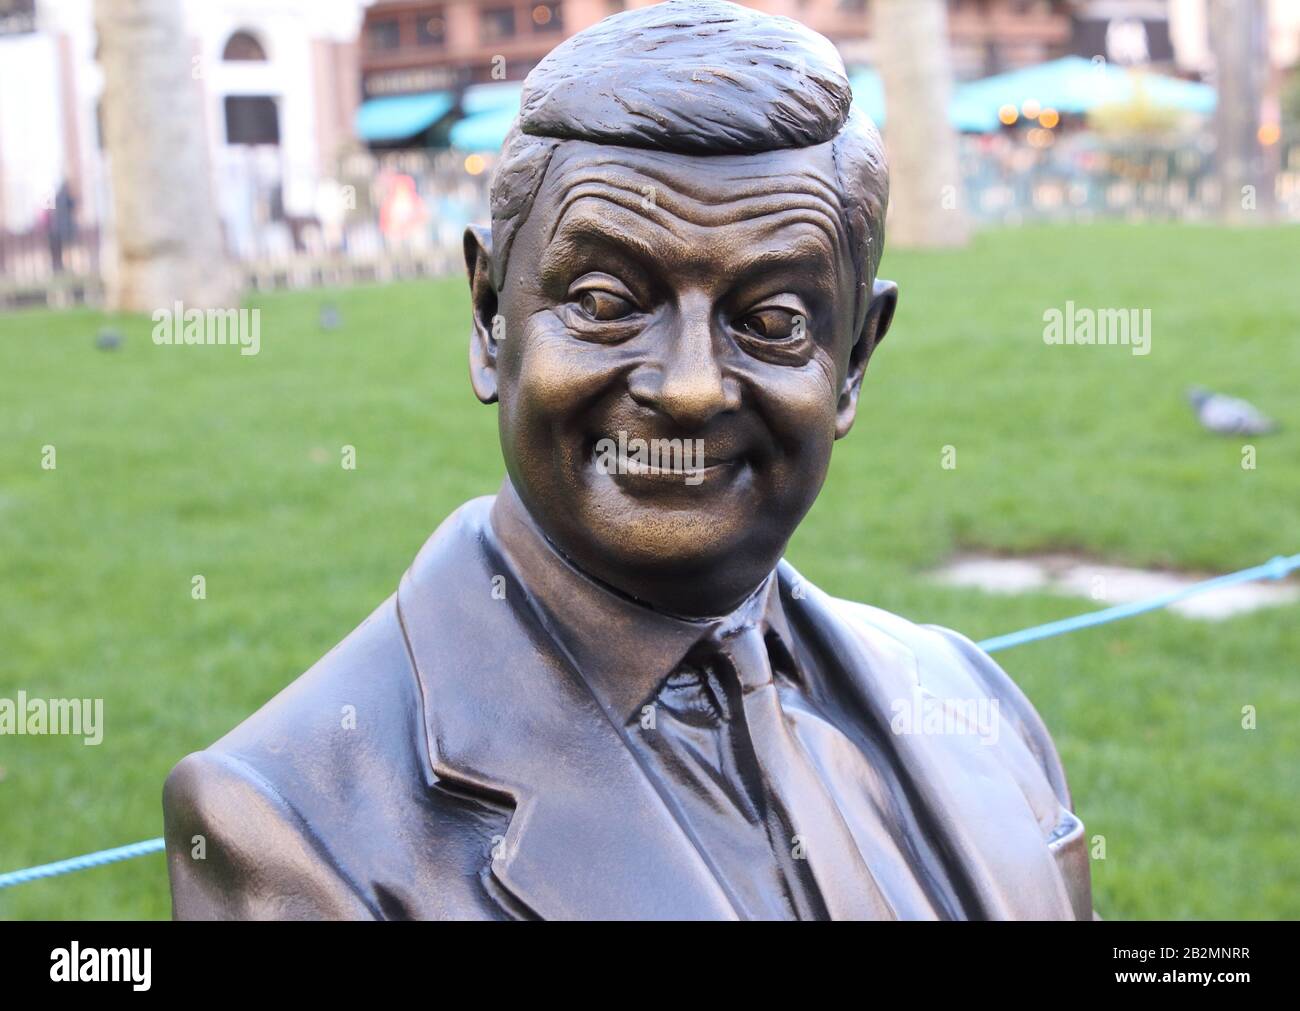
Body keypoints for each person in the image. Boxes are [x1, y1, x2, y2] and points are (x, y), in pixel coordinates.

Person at [163, 0, 1093, 920]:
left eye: (771, 320)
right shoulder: (293, 821)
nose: (690, 387)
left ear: (853, 359)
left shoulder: (974, 706)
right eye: (606, 302)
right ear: (489, 318)